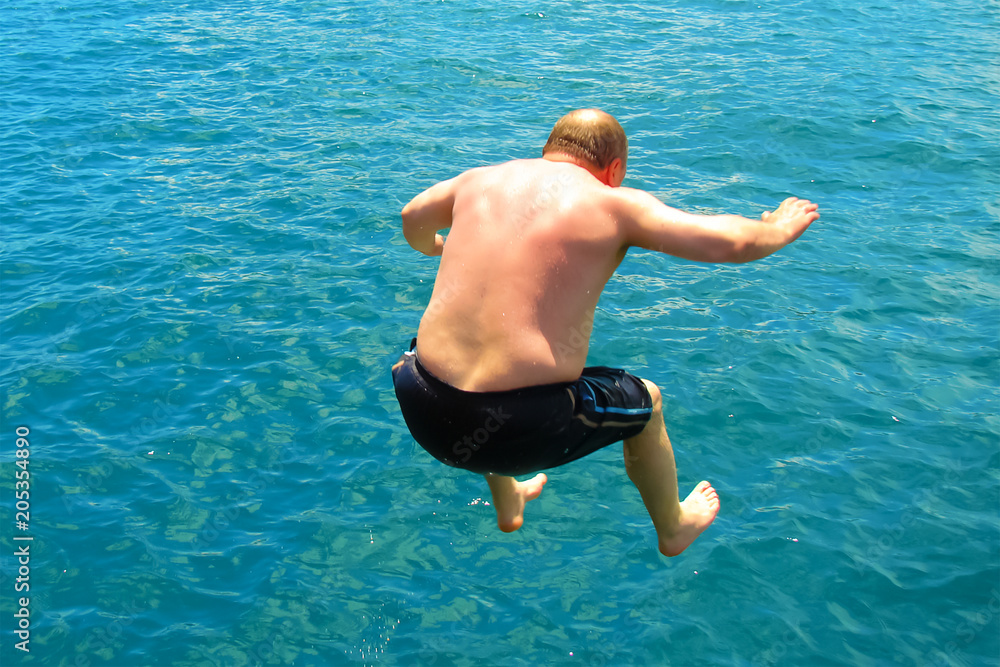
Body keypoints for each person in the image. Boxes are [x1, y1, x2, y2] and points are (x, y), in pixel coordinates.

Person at [392, 109, 819, 556]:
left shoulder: (478, 179)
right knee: (646, 401)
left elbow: (411, 217)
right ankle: (672, 526)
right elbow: (731, 243)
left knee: (481, 358)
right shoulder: (611, 202)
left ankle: (509, 499)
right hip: (510, 432)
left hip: (421, 402)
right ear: (614, 169)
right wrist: (776, 229)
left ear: (548, 152)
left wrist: (437, 247)